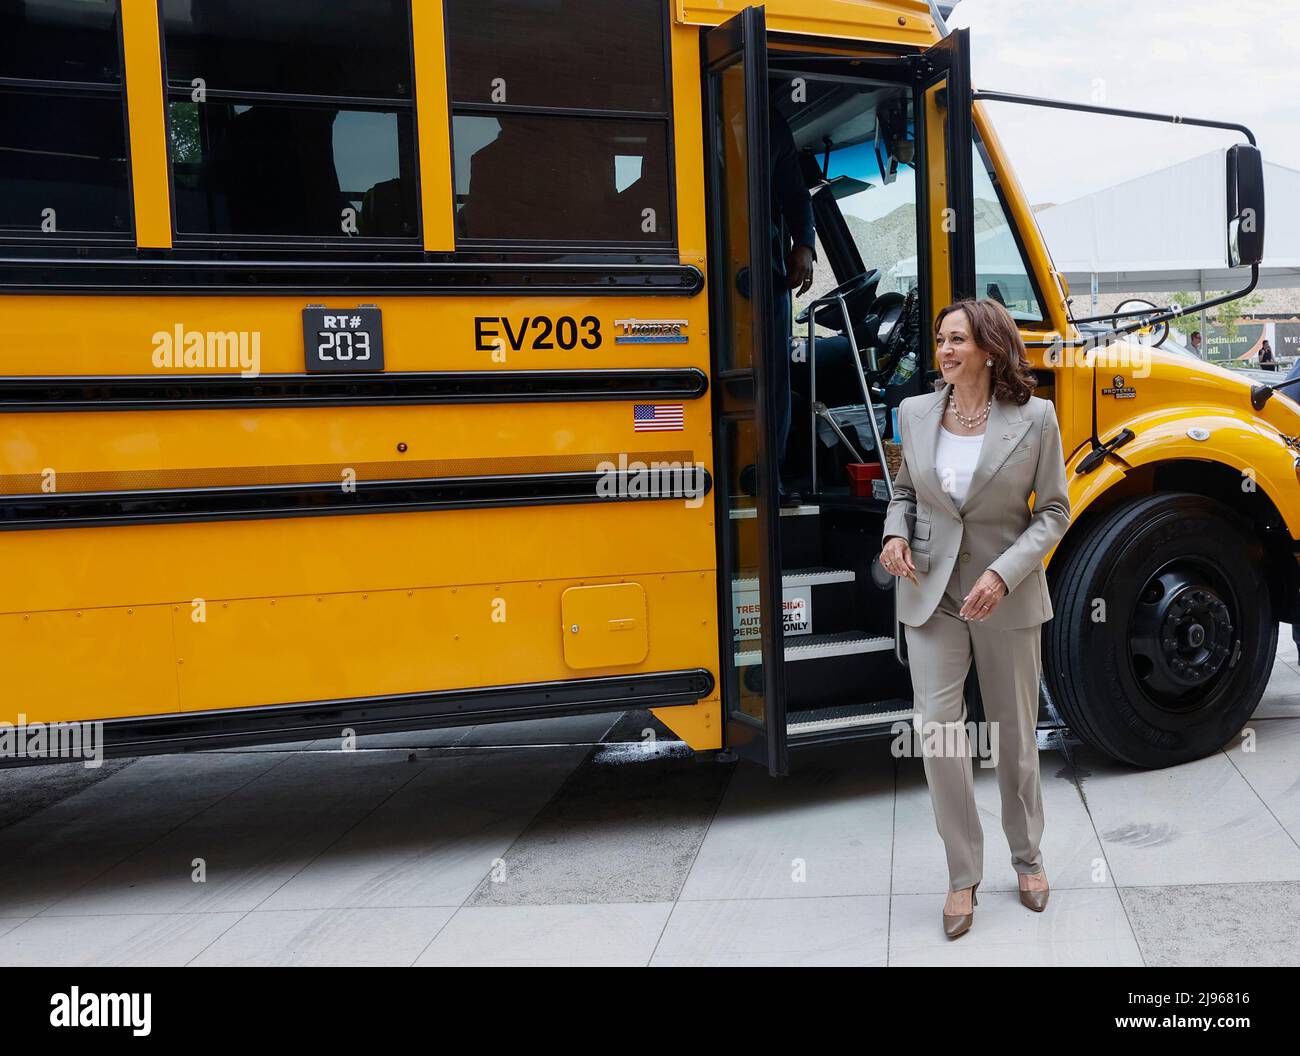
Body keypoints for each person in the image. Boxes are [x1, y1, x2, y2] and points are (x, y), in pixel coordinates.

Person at [878, 298, 1071, 939]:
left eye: (957, 339)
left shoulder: (1035, 419)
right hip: (929, 594)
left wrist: (1002, 573)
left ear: (989, 347)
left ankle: (1029, 858)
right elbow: (904, 493)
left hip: (1004, 594)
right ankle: (963, 875)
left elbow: (1052, 512)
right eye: (939, 340)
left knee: (1014, 733)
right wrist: (894, 536)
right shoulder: (915, 412)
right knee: (936, 733)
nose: (945, 350)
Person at [769, 99, 815, 503]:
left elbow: (795, 192)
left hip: (763, 275)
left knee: (775, 376)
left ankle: (770, 476)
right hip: (727, 275)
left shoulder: (767, 118)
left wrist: (803, 243)